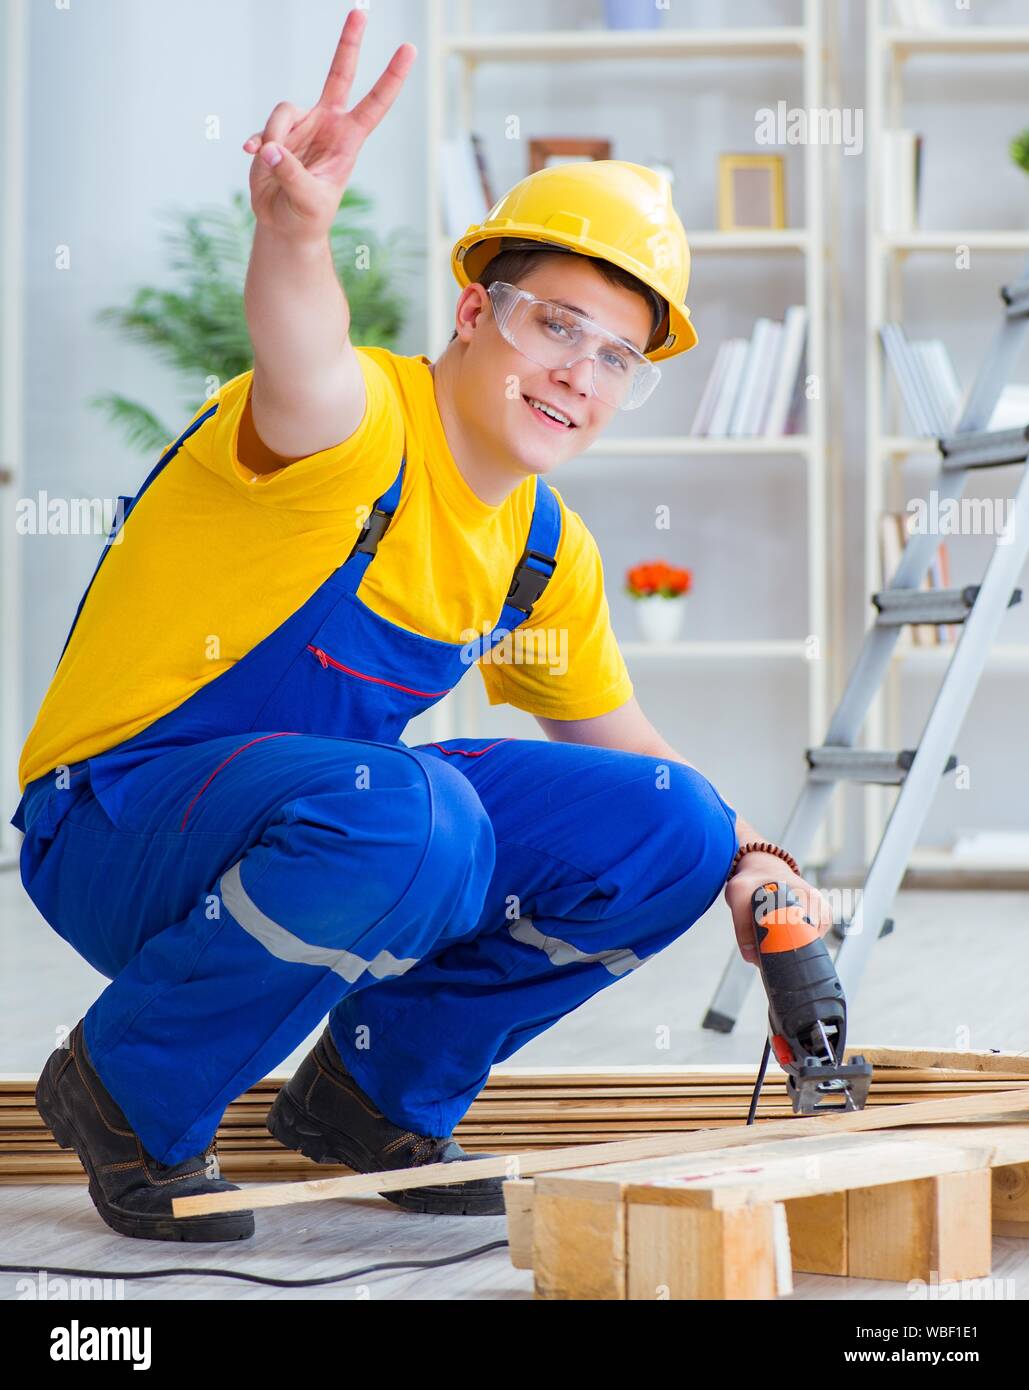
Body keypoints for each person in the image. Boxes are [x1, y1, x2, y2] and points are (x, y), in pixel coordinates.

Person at [13, 9, 832, 1243]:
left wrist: (758, 861)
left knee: (675, 825)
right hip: (113, 824)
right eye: (556, 324)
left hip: (327, 823)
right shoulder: (356, 430)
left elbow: (630, 740)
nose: (579, 374)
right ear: (472, 312)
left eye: (619, 358)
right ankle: (129, 1090)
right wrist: (293, 231)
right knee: (414, 814)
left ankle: (371, 1100)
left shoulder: (543, 549)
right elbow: (304, 354)